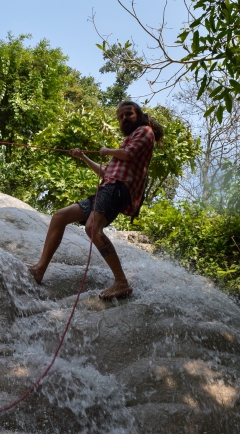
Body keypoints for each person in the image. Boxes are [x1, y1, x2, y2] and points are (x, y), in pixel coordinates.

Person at [28, 100, 163, 300]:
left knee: (93, 228)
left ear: (139, 115)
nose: (124, 118)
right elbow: (105, 171)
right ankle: (39, 269)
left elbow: (129, 155)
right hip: (107, 187)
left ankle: (121, 282)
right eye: (121, 116)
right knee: (60, 216)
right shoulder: (127, 141)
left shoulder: (145, 131)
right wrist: (83, 157)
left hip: (118, 187)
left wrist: (107, 151)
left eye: (128, 114)